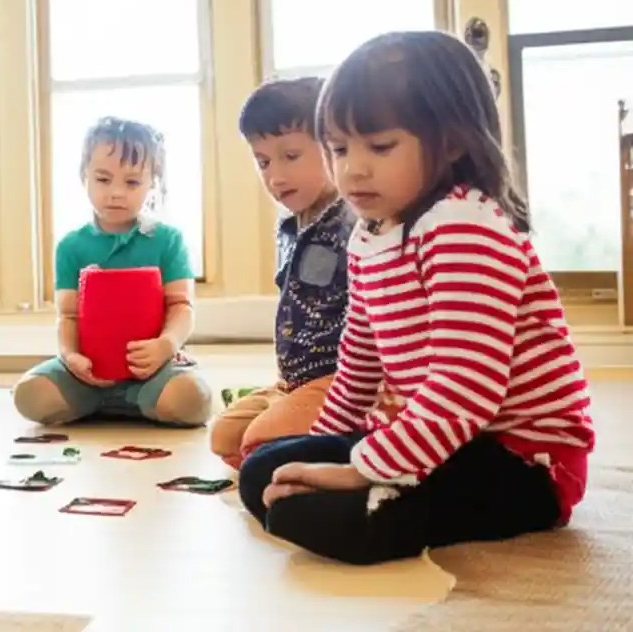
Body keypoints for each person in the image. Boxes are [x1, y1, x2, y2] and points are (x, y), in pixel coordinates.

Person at [237, 30, 596, 565]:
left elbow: (467, 385)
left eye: (380, 147)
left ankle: (390, 498)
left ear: (451, 141)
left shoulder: (464, 225)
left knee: (301, 513)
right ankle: (381, 484)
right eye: (338, 149)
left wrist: (360, 468)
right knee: (263, 472)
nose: (352, 168)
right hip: (443, 436)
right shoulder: (370, 233)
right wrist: (326, 446)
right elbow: (358, 362)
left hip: (521, 457)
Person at [11, 116, 211, 427]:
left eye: (132, 182)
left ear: (151, 183)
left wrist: (166, 346)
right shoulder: (71, 246)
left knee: (193, 398)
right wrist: (70, 357)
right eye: (103, 180)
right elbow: (68, 316)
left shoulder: (167, 239)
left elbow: (181, 307)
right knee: (28, 395)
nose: (116, 192)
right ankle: (100, 401)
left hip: (155, 370)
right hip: (87, 373)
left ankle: (140, 400)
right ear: (84, 177)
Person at [209, 77, 355, 469]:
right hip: (293, 380)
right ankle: (290, 426)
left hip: (343, 381)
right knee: (222, 436)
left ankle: (347, 437)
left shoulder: (352, 220)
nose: (276, 176)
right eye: (263, 161)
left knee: (258, 442)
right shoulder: (288, 226)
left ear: (332, 146)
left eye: (291, 156)